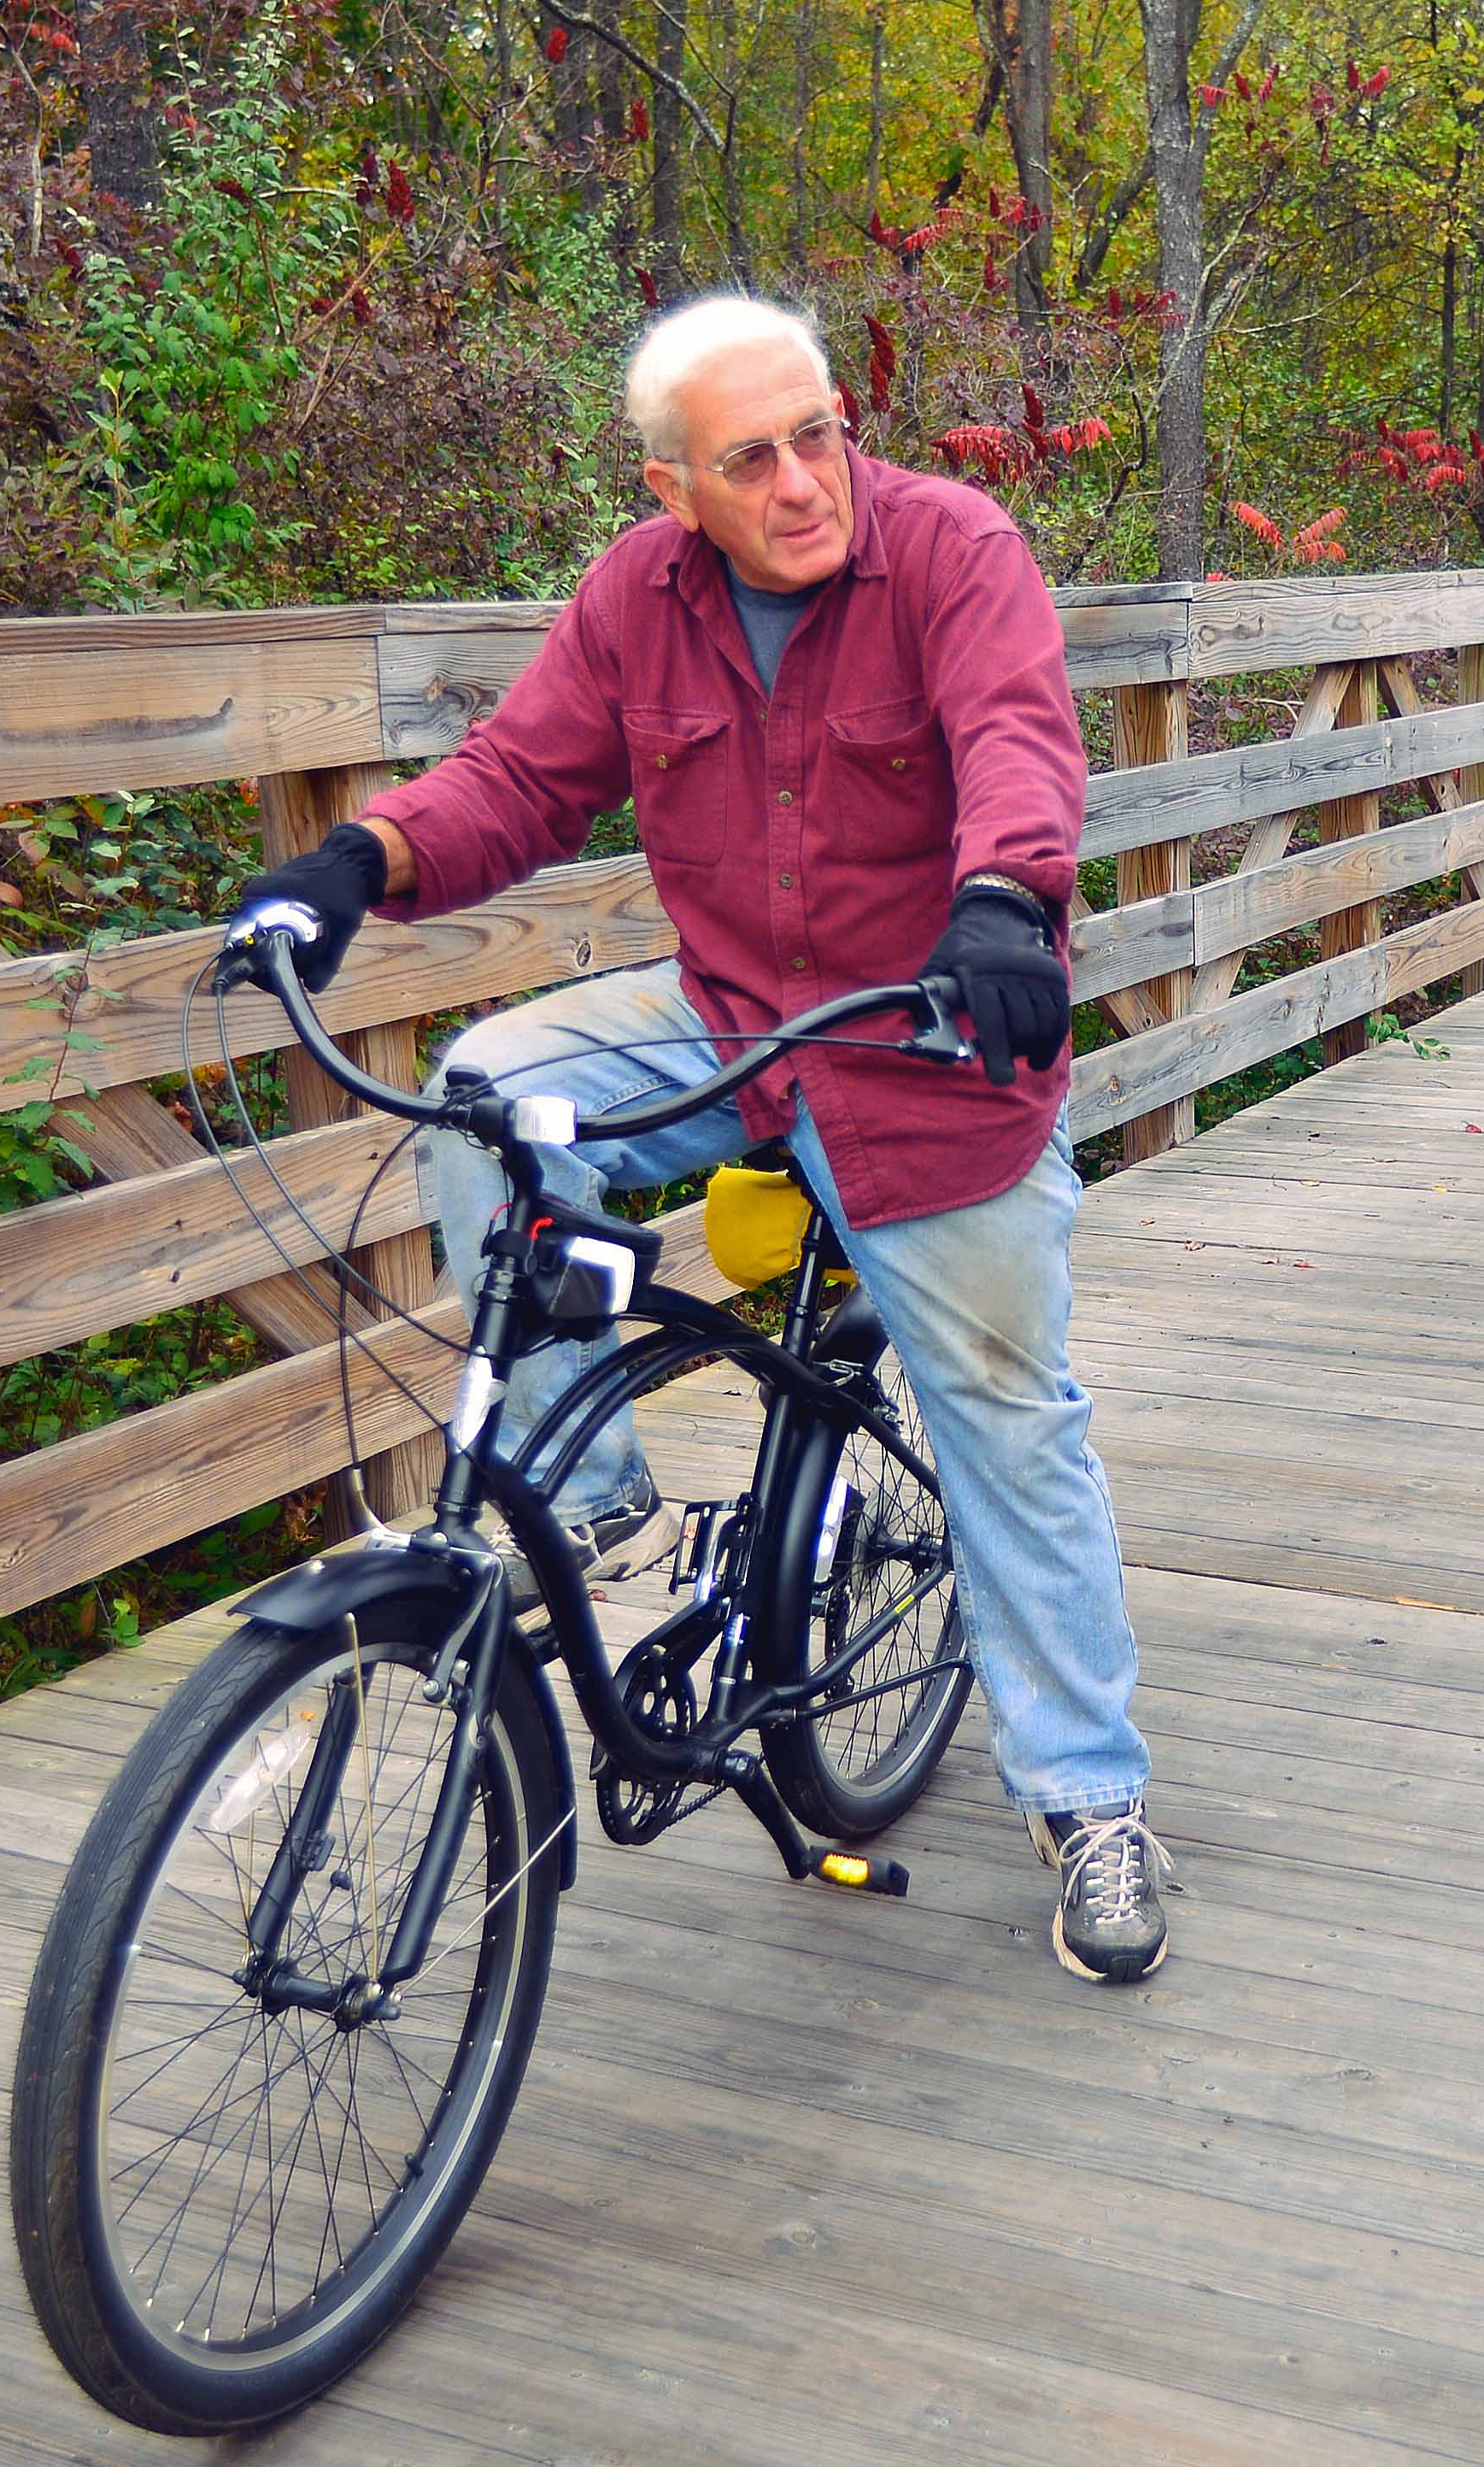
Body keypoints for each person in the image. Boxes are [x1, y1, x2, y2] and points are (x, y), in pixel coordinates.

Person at [228, 295, 1176, 1984]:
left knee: (1005, 1432)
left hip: (927, 1045)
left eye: (824, 433)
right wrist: (354, 864)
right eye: (756, 457)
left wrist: (1000, 905)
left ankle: (1087, 1792)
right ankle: (601, 1515)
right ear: (673, 485)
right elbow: (518, 779)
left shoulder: (953, 550)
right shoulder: (634, 596)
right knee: (483, 1098)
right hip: (735, 1014)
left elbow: (1017, 745)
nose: (809, 479)